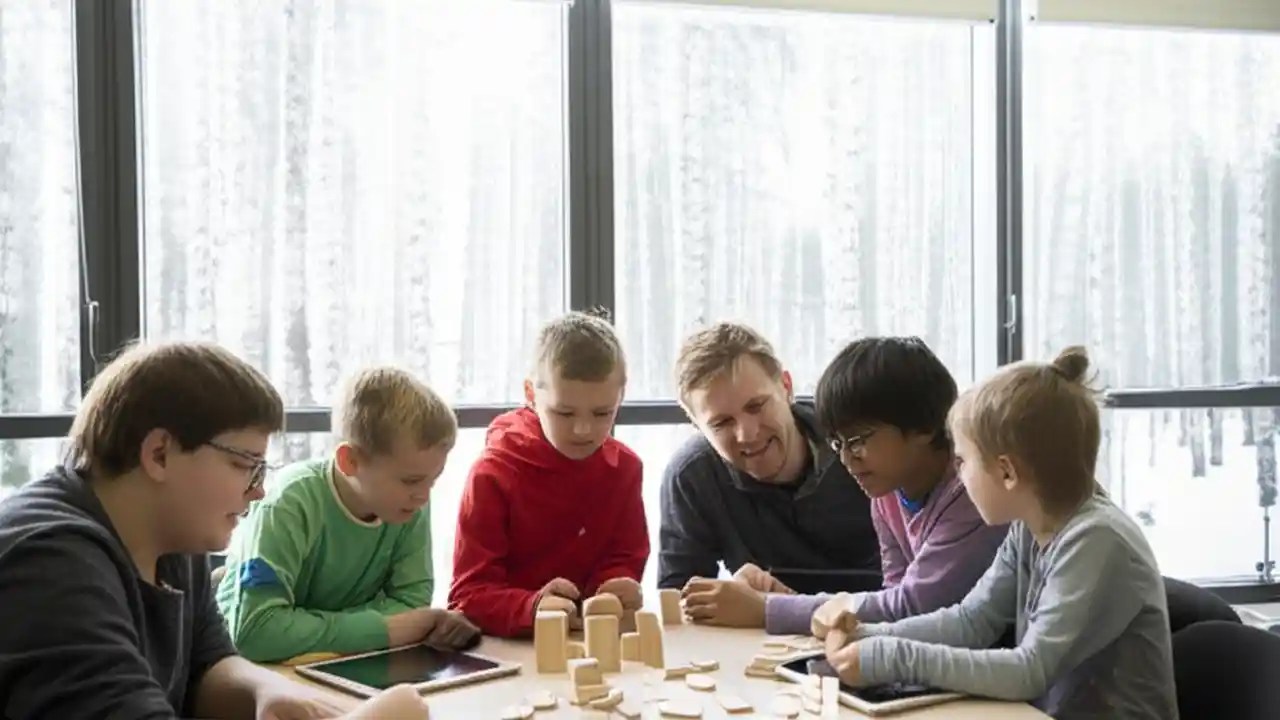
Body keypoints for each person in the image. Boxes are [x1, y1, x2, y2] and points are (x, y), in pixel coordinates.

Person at [818, 348, 1177, 719]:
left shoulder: (1097, 540)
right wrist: (869, 635)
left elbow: (1028, 670)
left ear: (1007, 472)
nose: (957, 475)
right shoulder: (1029, 527)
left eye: (963, 461)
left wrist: (892, 657)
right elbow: (971, 621)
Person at [0, 342, 348, 718]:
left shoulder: (173, 540)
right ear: (159, 454)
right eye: (244, 464)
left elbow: (207, 662)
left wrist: (266, 690)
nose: (259, 489)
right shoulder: (50, 562)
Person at [684, 337, 1006, 633]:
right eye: (837, 444)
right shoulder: (886, 493)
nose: (847, 459)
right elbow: (892, 596)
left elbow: (913, 607)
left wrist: (769, 609)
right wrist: (792, 601)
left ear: (922, 424)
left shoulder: (972, 493)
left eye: (858, 440)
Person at [218, 366, 478, 663]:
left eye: (434, 480)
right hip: (249, 670)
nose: (424, 495)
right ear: (350, 461)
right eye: (411, 481)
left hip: (333, 663)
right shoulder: (289, 502)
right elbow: (256, 632)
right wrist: (387, 628)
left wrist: (302, 625)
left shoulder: (409, 503)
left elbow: (411, 605)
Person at [449, 311, 648, 637]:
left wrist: (616, 587)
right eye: (564, 412)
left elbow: (623, 556)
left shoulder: (626, 469)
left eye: (603, 413)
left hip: (592, 644)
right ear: (530, 394)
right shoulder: (492, 475)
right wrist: (533, 606)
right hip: (511, 651)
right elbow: (467, 596)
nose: (583, 430)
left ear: (621, 396)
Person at [658, 322, 880, 594]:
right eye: (722, 423)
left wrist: (786, 608)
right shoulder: (691, 476)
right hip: (760, 633)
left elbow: (922, 584)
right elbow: (679, 598)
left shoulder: (858, 439)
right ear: (696, 425)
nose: (747, 434)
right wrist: (725, 596)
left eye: (756, 406)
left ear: (786, 387)